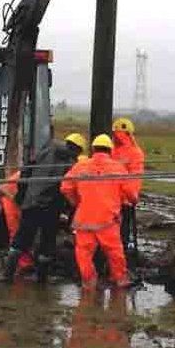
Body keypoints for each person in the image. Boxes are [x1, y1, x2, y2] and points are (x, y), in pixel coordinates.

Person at [0, 132, 87, 283]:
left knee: (21, 239)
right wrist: (68, 212)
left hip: (31, 202)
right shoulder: (72, 165)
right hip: (51, 207)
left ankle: (6, 277)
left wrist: (22, 195)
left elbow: (26, 171)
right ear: (78, 150)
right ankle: (41, 281)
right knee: (47, 243)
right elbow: (66, 189)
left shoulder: (46, 149)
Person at [61, 134, 138, 290]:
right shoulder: (118, 168)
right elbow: (131, 194)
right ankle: (121, 279)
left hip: (84, 220)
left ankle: (88, 282)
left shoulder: (80, 166)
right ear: (110, 150)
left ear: (93, 149)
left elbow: (65, 188)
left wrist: (76, 202)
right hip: (107, 220)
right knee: (115, 252)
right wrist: (132, 200)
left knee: (83, 254)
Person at [110, 117, 145, 264]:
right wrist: (133, 197)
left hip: (116, 199)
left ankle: (117, 254)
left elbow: (134, 178)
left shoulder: (114, 151)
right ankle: (120, 255)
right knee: (121, 229)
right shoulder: (135, 152)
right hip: (121, 199)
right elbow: (135, 178)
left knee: (116, 229)